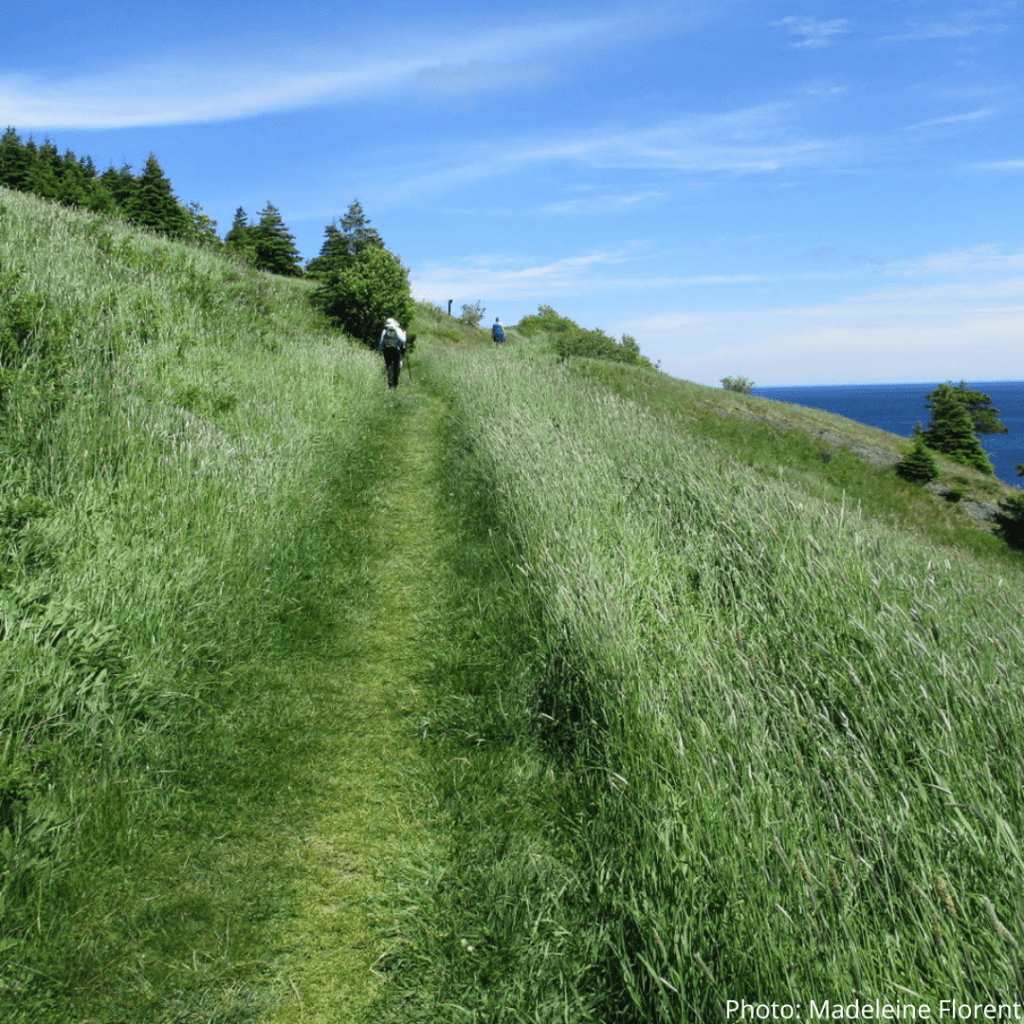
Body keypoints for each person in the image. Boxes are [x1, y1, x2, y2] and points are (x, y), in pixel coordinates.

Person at [378, 317, 407, 389]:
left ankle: (390, 385)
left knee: (389, 367)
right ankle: (395, 384)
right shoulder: (398, 330)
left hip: (387, 351)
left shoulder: (385, 331)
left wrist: (380, 350)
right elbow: (402, 340)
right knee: (396, 367)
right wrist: (404, 335)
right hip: (396, 350)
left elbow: (381, 342)